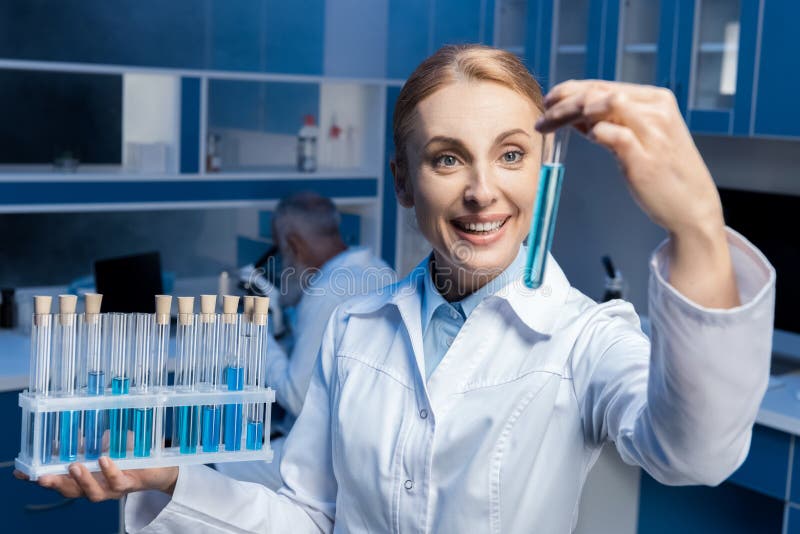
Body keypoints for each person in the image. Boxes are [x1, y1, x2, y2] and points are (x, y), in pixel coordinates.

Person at [20, 44, 775, 533]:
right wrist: (170, 478)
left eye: (511, 154)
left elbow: (695, 454)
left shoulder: (584, 337)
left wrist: (700, 230)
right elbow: (309, 516)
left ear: (545, 178)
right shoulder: (357, 328)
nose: (483, 191)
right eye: (447, 159)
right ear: (404, 185)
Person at [219, 191, 395, 488]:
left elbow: (297, 397)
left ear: (293, 245)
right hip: (364, 452)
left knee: (211, 467)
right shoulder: (380, 271)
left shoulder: (327, 292)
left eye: (282, 250)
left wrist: (251, 326)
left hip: (322, 462)